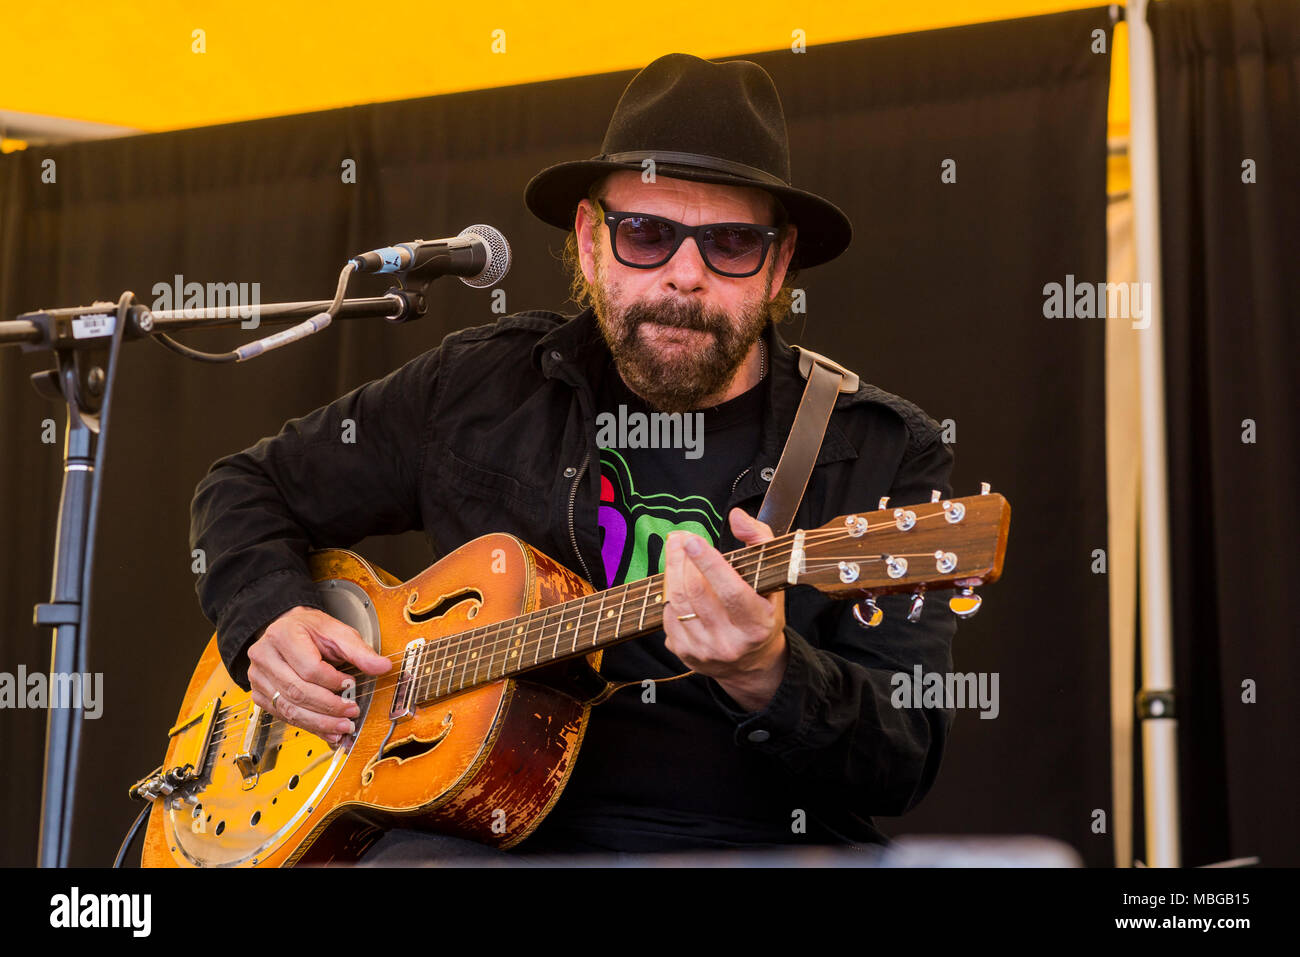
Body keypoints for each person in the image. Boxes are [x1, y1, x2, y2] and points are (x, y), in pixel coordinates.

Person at [190, 53, 958, 864]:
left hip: (750, 845)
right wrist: (266, 614)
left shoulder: (878, 449)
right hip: (471, 841)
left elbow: (903, 754)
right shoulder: (481, 386)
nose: (685, 276)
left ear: (778, 266)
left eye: (732, 243)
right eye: (647, 235)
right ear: (590, 242)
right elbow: (245, 486)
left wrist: (770, 669)